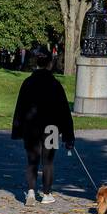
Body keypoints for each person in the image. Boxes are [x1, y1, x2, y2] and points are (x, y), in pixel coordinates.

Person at [11, 48, 75, 205]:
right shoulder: (55, 84)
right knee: (48, 161)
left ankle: (31, 191)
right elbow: (64, 111)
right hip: (51, 128)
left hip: (30, 128)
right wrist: (68, 135)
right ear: (50, 63)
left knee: (32, 161)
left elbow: (20, 108)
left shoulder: (27, 83)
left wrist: (17, 130)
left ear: (36, 63)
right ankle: (46, 194)